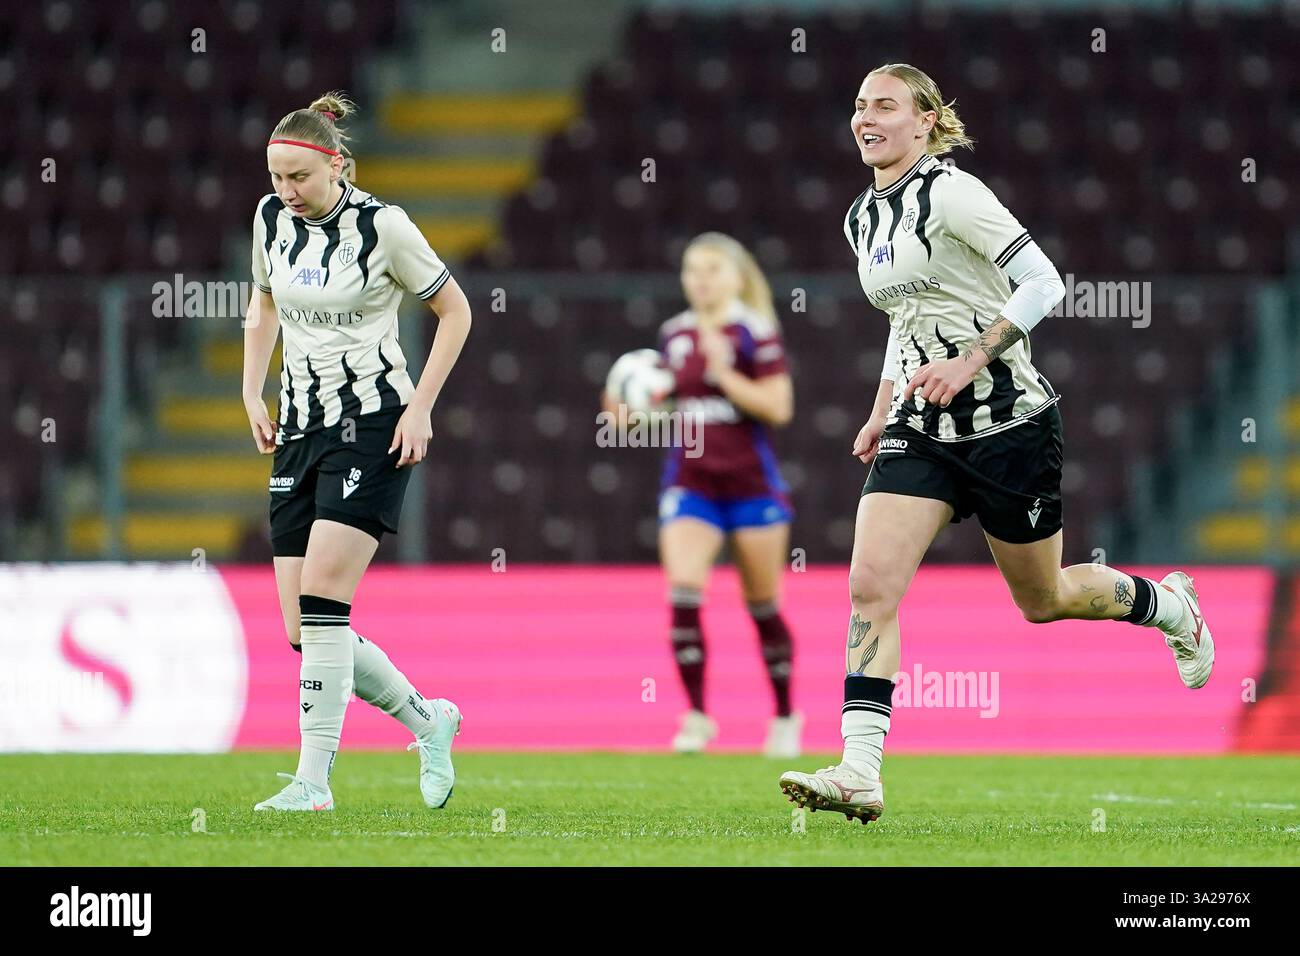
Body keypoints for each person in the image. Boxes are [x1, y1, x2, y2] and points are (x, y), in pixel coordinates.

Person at [778, 64, 1213, 824]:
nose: (864, 117)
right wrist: (883, 406)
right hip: (922, 424)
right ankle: (860, 770)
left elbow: (1046, 281)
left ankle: (1168, 605)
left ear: (926, 122)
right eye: (857, 105)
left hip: (1009, 423)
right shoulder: (862, 217)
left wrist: (973, 358)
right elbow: (904, 319)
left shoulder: (952, 193)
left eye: (884, 104)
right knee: (870, 586)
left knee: (1043, 600)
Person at [241, 92, 472, 811]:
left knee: (322, 607)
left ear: (334, 165)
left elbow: (455, 309)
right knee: (297, 630)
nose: (287, 191)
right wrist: (252, 391)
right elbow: (264, 301)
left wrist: (422, 406)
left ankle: (313, 783)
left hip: (370, 424)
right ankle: (428, 721)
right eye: (277, 177)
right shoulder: (270, 219)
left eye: (298, 178)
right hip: (299, 428)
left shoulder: (385, 226)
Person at [604, 233, 802, 757]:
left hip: (751, 486)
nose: (701, 279)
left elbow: (779, 408)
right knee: (684, 591)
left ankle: (784, 715)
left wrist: (723, 374)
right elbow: (669, 407)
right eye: (693, 270)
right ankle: (696, 716)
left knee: (762, 604)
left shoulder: (754, 332)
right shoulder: (674, 335)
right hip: (691, 484)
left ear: (736, 277)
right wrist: (628, 413)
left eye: (713, 269)